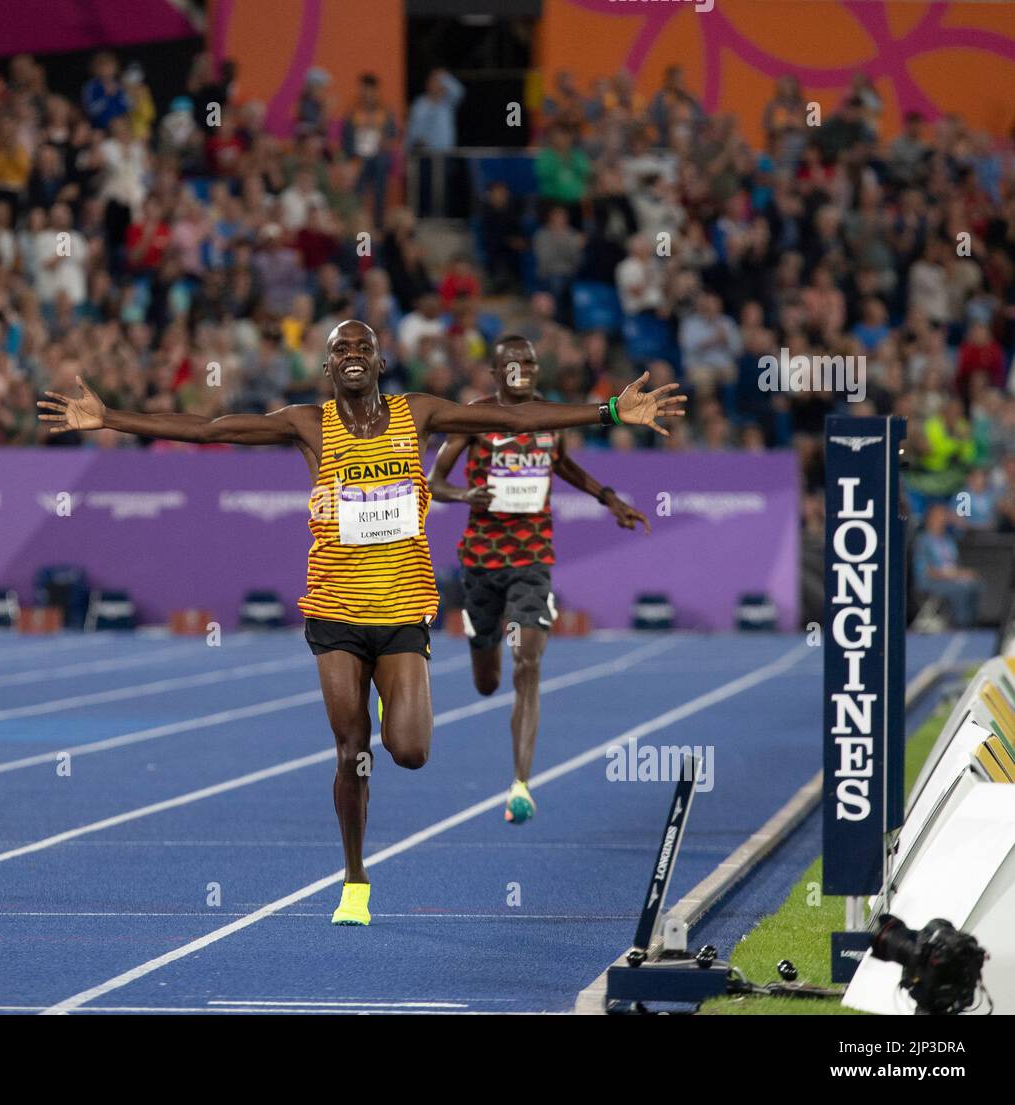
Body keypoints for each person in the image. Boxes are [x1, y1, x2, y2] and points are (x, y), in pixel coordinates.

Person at [38, 320, 685, 924]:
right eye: (340, 349)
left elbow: (511, 415)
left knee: (409, 751)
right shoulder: (307, 424)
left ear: (380, 361)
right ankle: (354, 878)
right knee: (352, 752)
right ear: (326, 366)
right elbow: (211, 429)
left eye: (362, 348)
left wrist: (606, 411)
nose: (351, 356)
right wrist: (108, 418)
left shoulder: (420, 412)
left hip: (403, 612)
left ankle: (390, 705)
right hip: (335, 612)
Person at [428, 335, 650, 823]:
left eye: (529, 361)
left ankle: (520, 784)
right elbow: (433, 483)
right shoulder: (473, 416)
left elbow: (564, 465)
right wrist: (466, 496)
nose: (522, 368)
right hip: (481, 560)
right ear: (494, 371)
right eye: (512, 362)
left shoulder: (549, 419)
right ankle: (478, 636)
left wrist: (608, 497)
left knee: (527, 663)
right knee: (487, 681)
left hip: (532, 557)